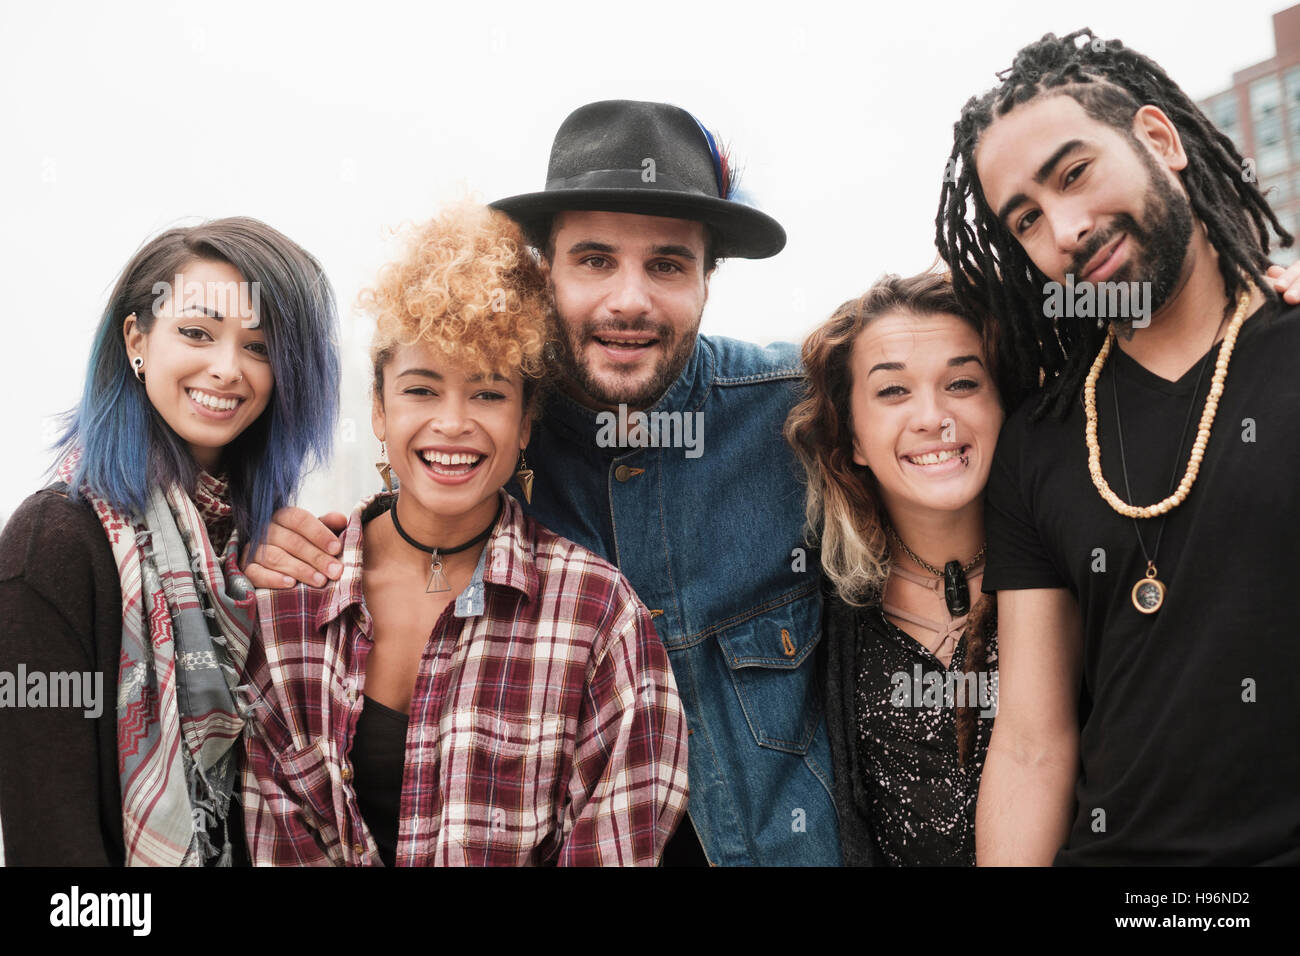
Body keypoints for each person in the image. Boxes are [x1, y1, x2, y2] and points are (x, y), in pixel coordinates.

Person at [245, 101, 841, 865]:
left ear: (708, 278)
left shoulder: (803, 413)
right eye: (594, 260)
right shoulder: (487, 423)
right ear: (544, 270)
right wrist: (260, 536)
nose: (629, 299)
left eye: (667, 264)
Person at [936, 28, 1300, 864]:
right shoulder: (1039, 442)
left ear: (1161, 141)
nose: (1065, 229)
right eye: (1027, 218)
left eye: (1074, 173)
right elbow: (1032, 744)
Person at [239, 203, 689, 866]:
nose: (452, 424)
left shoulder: (599, 617)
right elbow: (273, 837)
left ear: (526, 420)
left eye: (488, 394)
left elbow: (620, 840)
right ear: (378, 409)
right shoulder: (289, 604)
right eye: (421, 391)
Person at [0, 218, 341, 865]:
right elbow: (50, 847)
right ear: (137, 339)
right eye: (197, 333)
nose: (227, 369)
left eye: (259, 347)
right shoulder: (52, 546)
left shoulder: (261, 552)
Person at [786, 271, 1004, 866]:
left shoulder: (1068, 574)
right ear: (853, 436)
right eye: (893, 391)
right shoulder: (823, 607)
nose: (934, 417)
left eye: (962, 383)